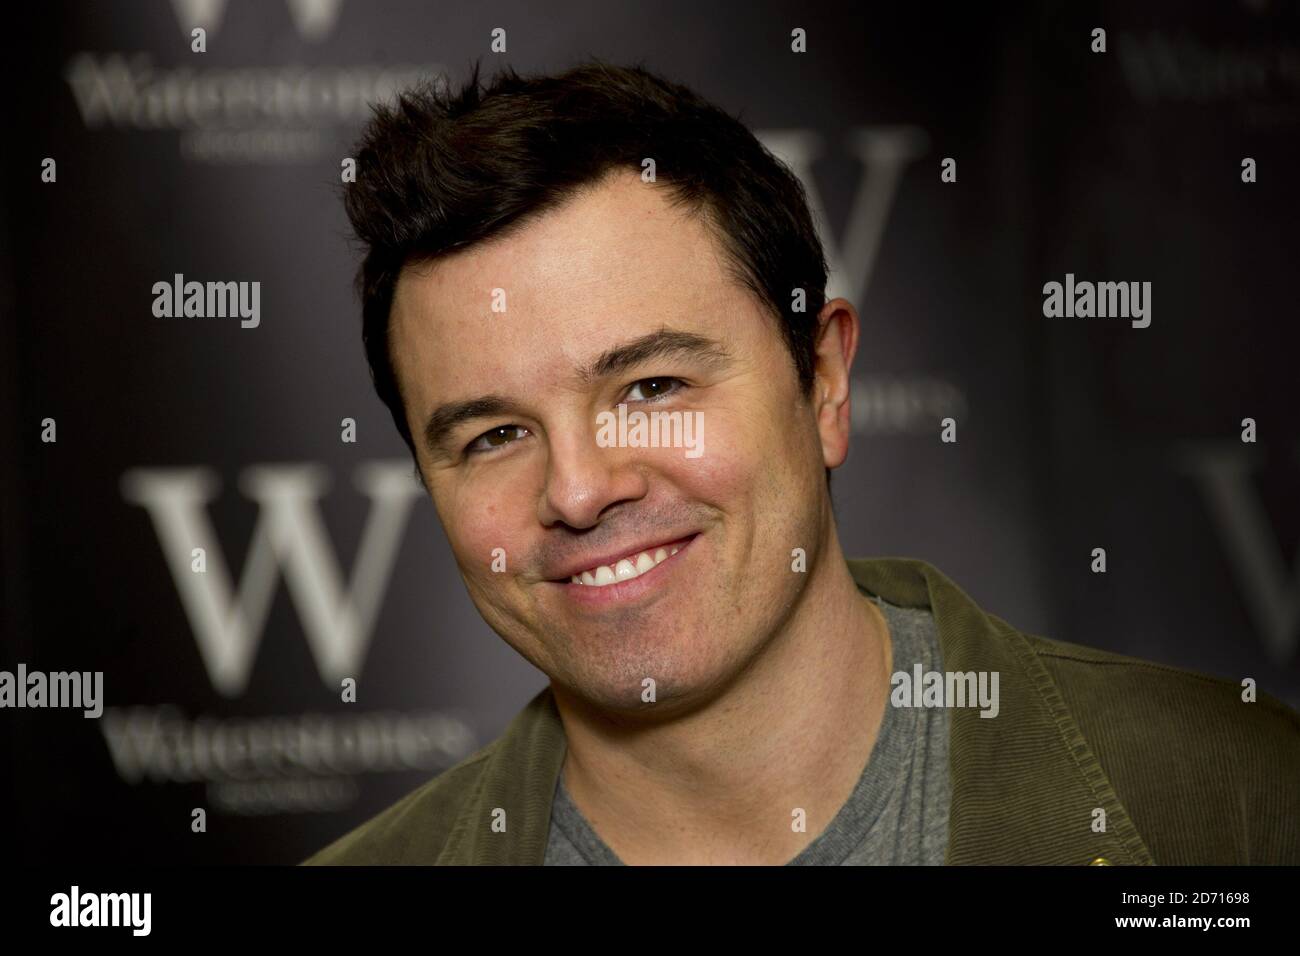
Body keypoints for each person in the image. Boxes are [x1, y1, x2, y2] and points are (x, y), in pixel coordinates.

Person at [304, 60, 1299, 865]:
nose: (575, 487)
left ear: (820, 380)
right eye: (493, 436)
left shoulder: (1233, 802)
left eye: (651, 386)